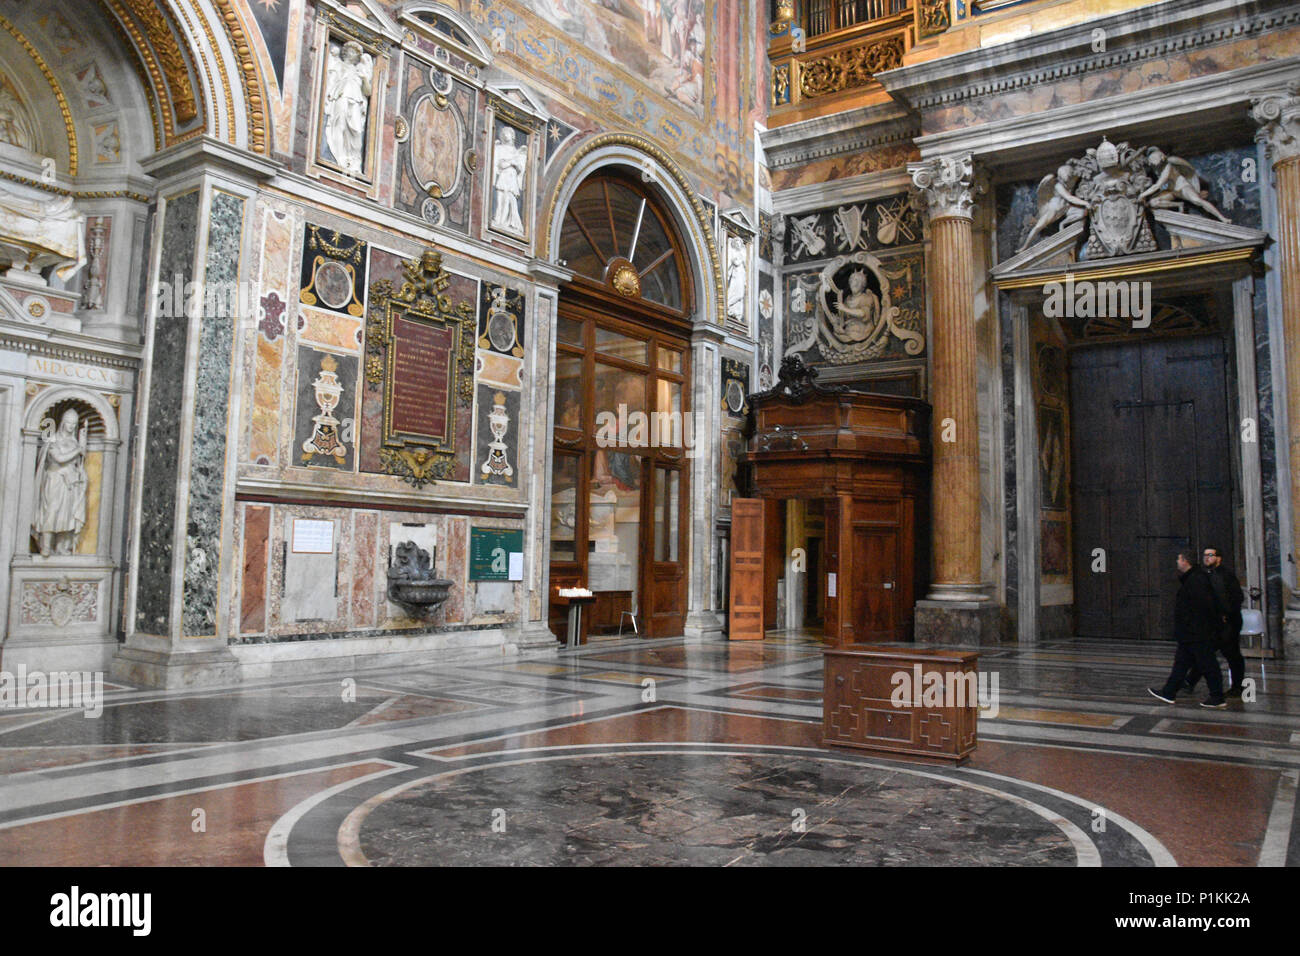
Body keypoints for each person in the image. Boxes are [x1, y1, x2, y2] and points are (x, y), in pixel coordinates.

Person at [1149, 550, 1226, 708]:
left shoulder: (1197, 579)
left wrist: (1201, 626)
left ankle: (1217, 696)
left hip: (1197, 631)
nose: (1177, 562)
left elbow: (1204, 606)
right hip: (1190, 632)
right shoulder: (1193, 578)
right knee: (1181, 663)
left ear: (1185, 561)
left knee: (1208, 664)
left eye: (1178, 559)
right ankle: (1169, 692)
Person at [1186, 546, 1246, 698]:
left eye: (1210, 555)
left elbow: (1236, 598)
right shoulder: (1205, 575)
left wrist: (1226, 614)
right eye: (1205, 555)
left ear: (1219, 558)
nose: (1207, 558)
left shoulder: (1227, 575)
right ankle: (1190, 682)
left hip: (1228, 623)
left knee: (1231, 654)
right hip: (1214, 623)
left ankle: (1237, 687)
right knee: (1205, 652)